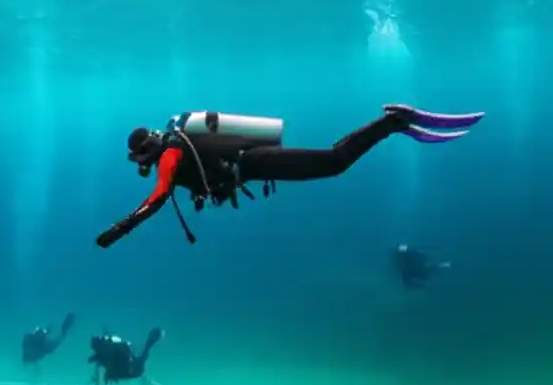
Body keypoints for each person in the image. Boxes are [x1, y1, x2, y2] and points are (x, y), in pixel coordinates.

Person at [97, 104, 485, 246]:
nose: (141, 165)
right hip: (253, 164)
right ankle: (393, 125)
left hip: (256, 163)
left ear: (147, 149)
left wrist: (119, 229)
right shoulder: (174, 149)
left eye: (139, 158)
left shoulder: (171, 155)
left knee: (334, 162)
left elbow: (159, 196)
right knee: (333, 163)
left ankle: (393, 122)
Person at [89, 328, 163, 384]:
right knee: (143, 356)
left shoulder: (107, 348)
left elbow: (105, 363)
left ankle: (154, 336)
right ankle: (154, 336)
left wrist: (103, 381)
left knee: (142, 357)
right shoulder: (108, 346)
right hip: (131, 368)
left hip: (131, 369)